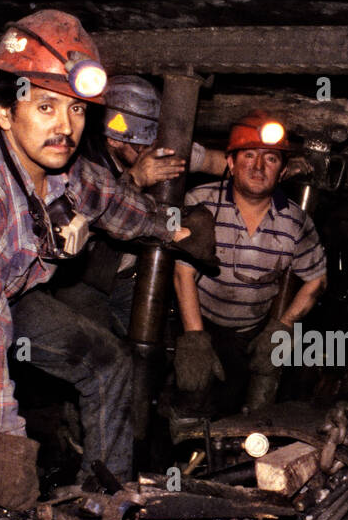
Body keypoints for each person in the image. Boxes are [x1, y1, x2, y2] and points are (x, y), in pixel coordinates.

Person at [0, 9, 207, 510]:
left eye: (77, 110)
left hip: (12, 297)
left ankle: (103, 498)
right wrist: (5, 439)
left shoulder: (51, 158)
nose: (65, 127)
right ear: (3, 111)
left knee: (108, 365)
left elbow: (106, 197)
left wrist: (174, 229)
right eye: (45, 107)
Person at [173, 110, 327, 415]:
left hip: (248, 335)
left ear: (282, 171)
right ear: (230, 163)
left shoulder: (295, 221)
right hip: (197, 320)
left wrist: (282, 327)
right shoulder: (199, 201)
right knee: (186, 401)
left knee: (228, 409)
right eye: (248, 156)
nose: (258, 167)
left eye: (270, 159)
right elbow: (182, 273)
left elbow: (317, 280)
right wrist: (194, 338)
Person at [50, 75, 226, 337]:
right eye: (143, 143)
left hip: (131, 278)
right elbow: (88, 223)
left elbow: (216, 162)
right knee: (95, 352)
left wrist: (279, 165)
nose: (152, 149)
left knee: (148, 355)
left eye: (155, 139)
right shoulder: (78, 162)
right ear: (115, 140)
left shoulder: (160, 147)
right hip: (82, 282)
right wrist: (136, 179)